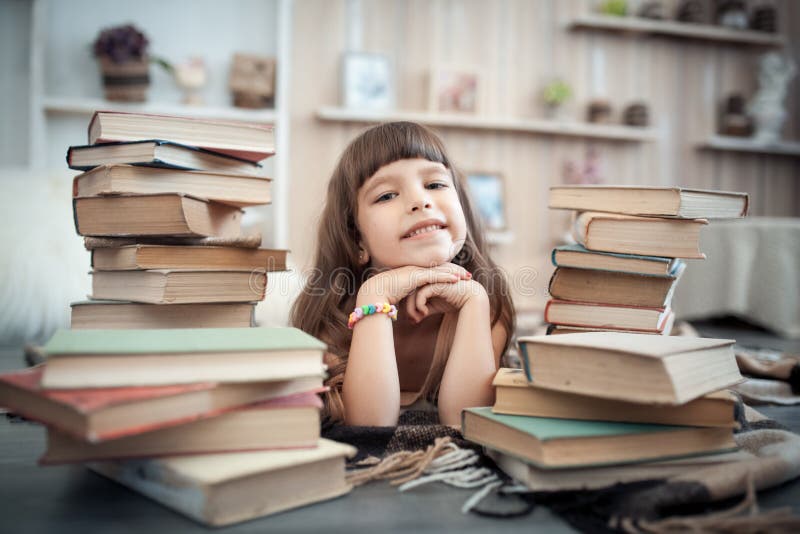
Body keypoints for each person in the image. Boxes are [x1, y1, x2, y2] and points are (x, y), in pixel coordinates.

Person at [290, 122, 515, 427]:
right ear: (357, 239)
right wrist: (374, 296)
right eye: (386, 196)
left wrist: (474, 302)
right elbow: (370, 427)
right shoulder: (333, 315)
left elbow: (467, 424)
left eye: (435, 184)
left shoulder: (488, 299)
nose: (420, 201)